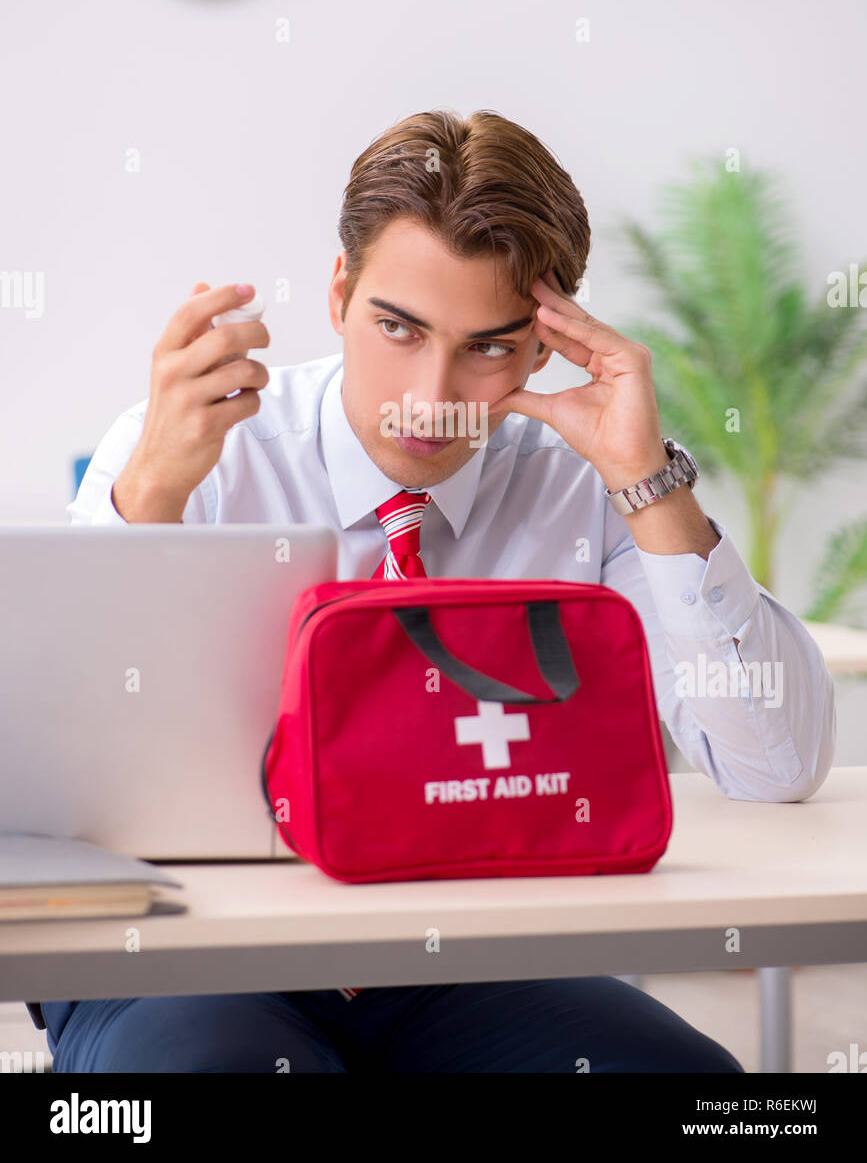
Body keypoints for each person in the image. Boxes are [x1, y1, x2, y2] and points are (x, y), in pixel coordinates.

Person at [36, 109, 834, 1072]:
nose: (430, 392)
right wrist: (154, 494)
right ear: (339, 293)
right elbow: (58, 784)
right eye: (397, 328)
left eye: (487, 347)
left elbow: (773, 769)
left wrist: (646, 481)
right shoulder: (189, 449)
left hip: (474, 958)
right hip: (196, 953)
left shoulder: (585, 480)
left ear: (547, 344)